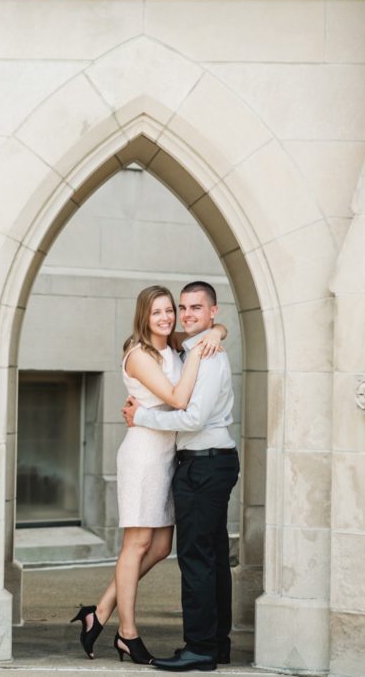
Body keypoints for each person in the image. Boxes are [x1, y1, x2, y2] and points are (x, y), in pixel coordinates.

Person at [72, 285, 227, 665]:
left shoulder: (172, 345)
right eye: (157, 312)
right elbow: (177, 399)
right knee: (137, 545)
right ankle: (128, 633)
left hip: (168, 457)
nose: (166, 317)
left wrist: (217, 332)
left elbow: (207, 326)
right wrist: (200, 353)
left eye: (169, 311)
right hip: (143, 455)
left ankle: (100, 611)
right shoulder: (140, 355)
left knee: (160, 547)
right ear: (144, 316)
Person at [122, 281, 238, 673]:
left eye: (194, 309)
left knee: (197, 558)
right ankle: (216, 643)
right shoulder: (191, 348)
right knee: (213, 556)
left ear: (213, 312)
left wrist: (141, 417)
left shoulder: (206, 355)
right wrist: (216, 333)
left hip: (204, 464)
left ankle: (200, 649)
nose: (185, 315)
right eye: (181, 308)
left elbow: (190, 416)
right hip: (201, 463)